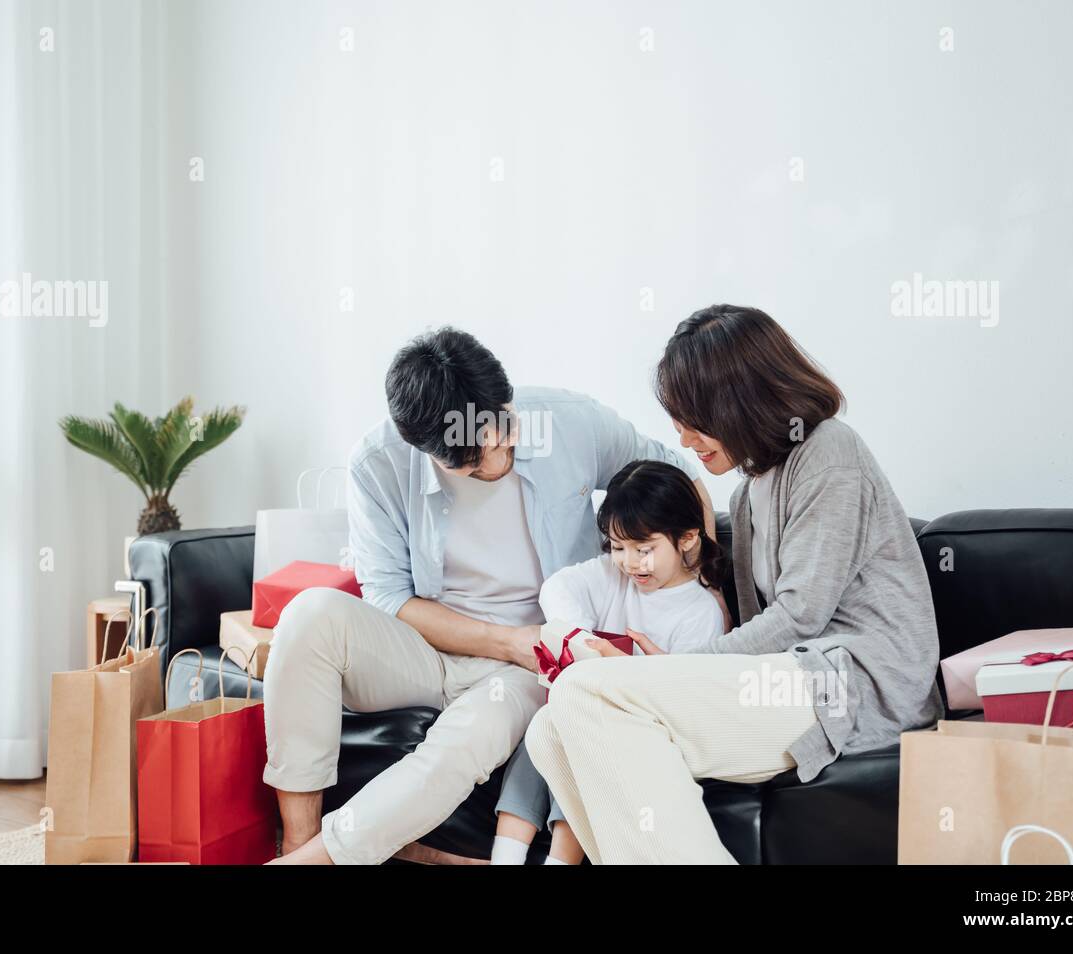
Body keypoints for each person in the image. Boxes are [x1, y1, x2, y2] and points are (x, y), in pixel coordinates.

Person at [262, 326, 711, 865]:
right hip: (423, 649)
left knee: (467, 739)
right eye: (474, 464)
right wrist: (504, 641)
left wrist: (695, 580)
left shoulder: (573, 423)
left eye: (505, 437)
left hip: (529, 667)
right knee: (308, 614)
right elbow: (387, 597)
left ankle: (316, 860)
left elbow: (680, 472)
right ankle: (295, 837)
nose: (497, 462)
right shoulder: (376, 463)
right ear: (422, 449)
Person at [525, 304, 945, 864]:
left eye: (692, 417)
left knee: (585, 693)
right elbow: (753, 627)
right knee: (550, 729)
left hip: (851, 684)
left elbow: (799, 616)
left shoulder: (829, 453)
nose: (680, 436)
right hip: (788, 678)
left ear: (740, 403)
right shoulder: (748, 494)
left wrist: (668, 670)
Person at [491, 459, 729, 865]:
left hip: (638, 737)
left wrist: (622, 671)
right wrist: (582, 640)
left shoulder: (699, 613)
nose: (631, 563)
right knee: (543, 731)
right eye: (619, 548)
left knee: (586, 746)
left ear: (688, 538)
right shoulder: (613, 575)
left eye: (645, 549)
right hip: (576, 717)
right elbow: (558, 588)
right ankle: (505, 856)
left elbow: (684, 708)